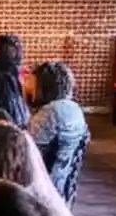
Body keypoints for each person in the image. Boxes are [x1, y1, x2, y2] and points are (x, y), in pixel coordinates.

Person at [30, 61, 91, 201]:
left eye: (33, 84)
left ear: (44, 87)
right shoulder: (75, 109)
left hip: (42, 190)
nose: (29, 88)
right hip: (63, 187)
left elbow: (27, 150)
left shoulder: (50, 113)